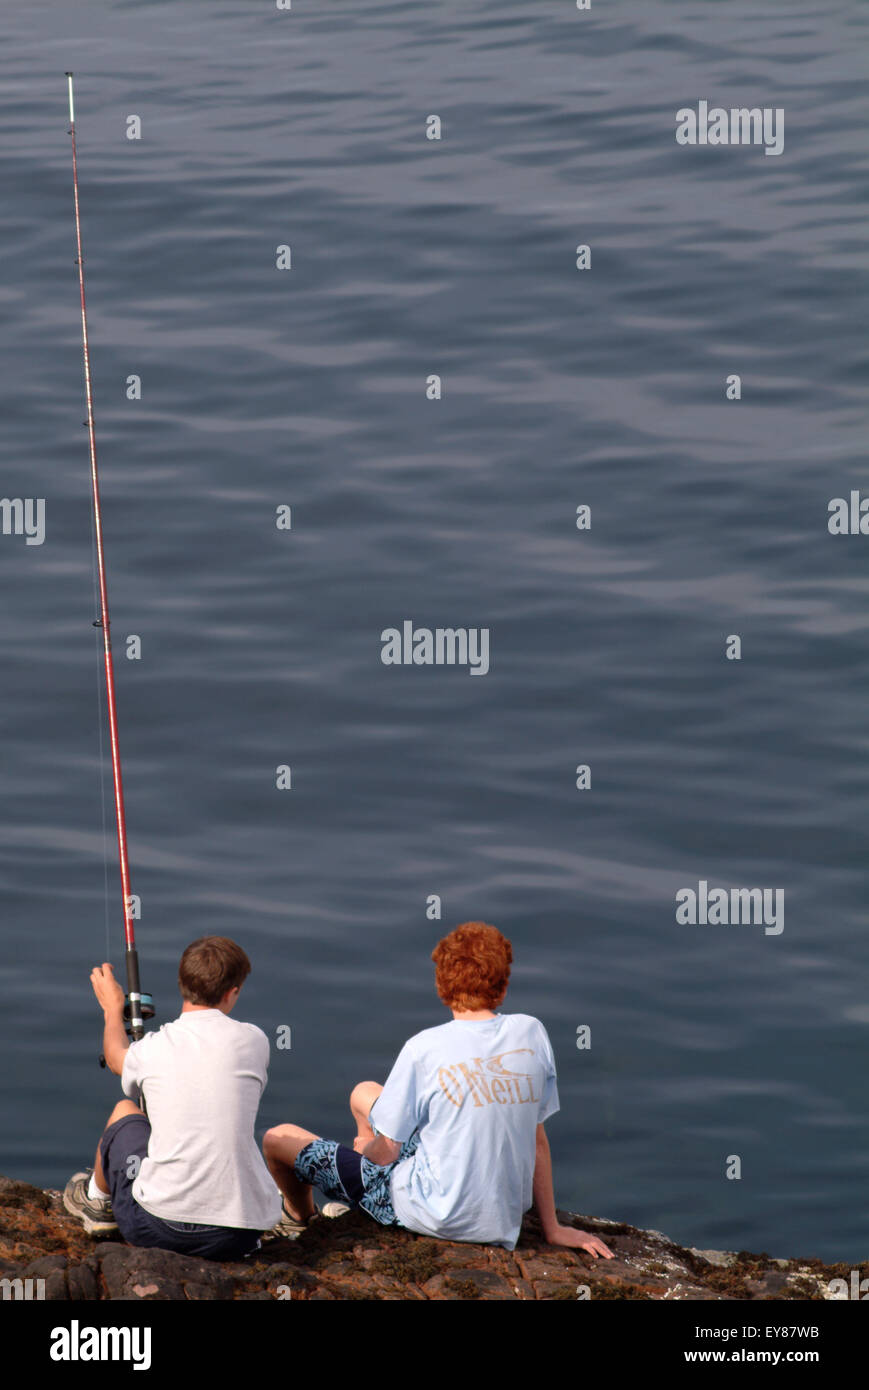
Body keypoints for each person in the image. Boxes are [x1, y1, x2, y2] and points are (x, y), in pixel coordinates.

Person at [263, 921, 614, 1256]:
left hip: (431, 1212)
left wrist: (363, 1153)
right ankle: (363, 1197)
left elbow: (385, 1152)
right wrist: (551, 1228)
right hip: (503, 1218)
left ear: (442, 987)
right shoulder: (532, 1033)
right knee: (363, 1093)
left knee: (278, 1139)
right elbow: (537, 1140)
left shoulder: (424, 1048)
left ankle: (301, 1219)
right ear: (503, 987)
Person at [64, 936, 281, 1259]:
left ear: (181, 983)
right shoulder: (255, 1041)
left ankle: (96, 1202)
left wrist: (112, 1010)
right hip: (238, 1234)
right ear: (232, 992)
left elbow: (115, 1057)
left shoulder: (152, 1049)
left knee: (125, 1110)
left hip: (156, 1227)